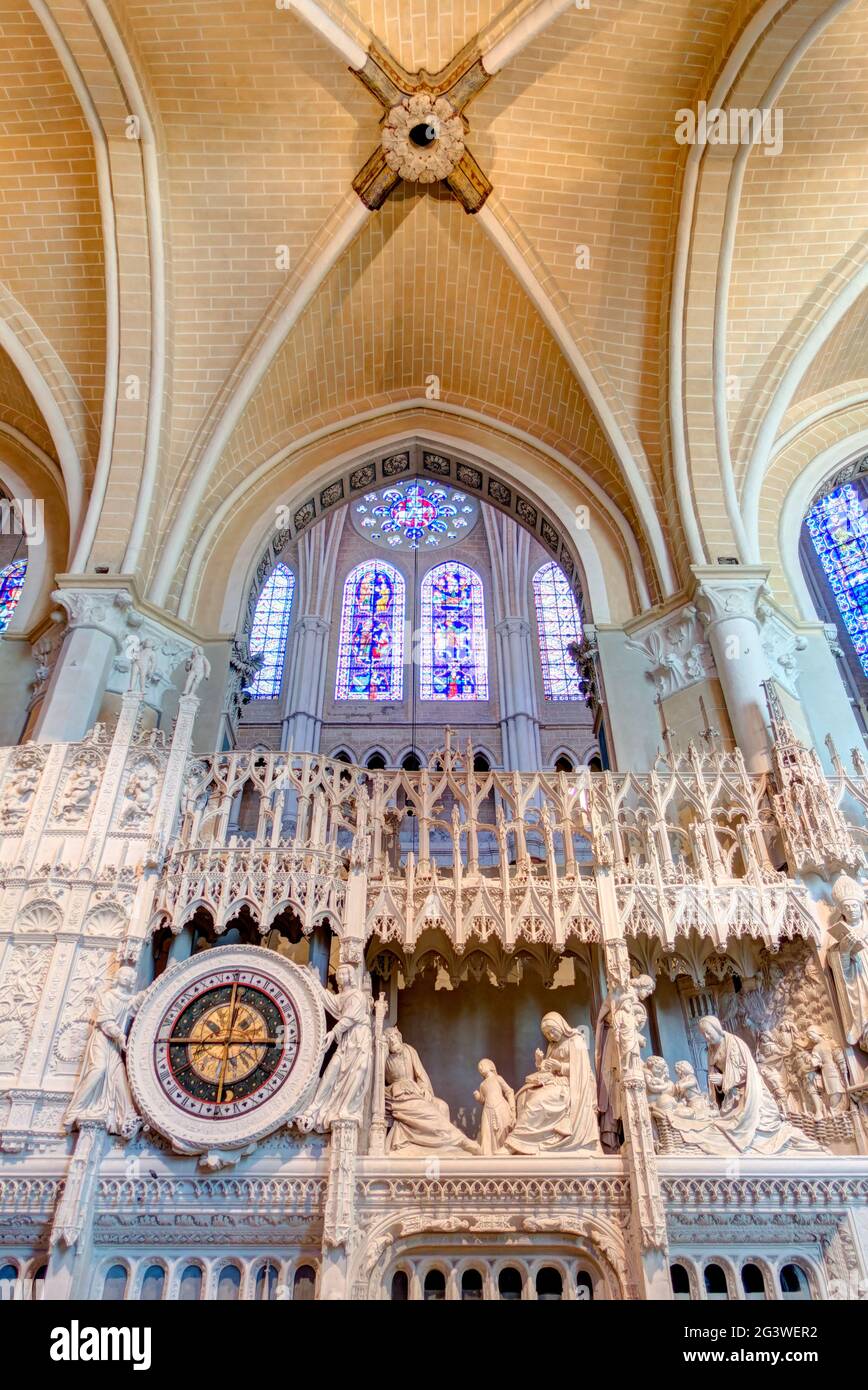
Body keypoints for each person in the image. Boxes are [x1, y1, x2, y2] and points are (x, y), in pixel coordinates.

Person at [65, 966, 146, 1139]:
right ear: (118, 977)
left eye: (130, 976)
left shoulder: (128, 999)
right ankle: (74, 1110)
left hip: (115, 1044)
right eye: (124, 975)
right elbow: (105, 1021)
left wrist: (161, 980)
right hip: (103, 1039)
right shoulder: (108, 996)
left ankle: (128, 1116)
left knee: (118, 1075)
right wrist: (120, 1035)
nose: (127, 978)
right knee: (99, 1069)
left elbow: (140, 1000)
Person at [506, 1012, 602, 1156]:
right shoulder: (552, 1046)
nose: (550, 1036)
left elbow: (582, 1069)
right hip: (555, 1082)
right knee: (523, 1096)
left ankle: (514, 1143)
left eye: (552, 1031)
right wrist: (540, 1063)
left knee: (537, 1101)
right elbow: (549, 1069)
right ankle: (525, 1144)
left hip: (573, 1086)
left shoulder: (576, 1041)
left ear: (560, 1026)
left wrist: (560, 1067)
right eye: (546, 1034)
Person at [383, 1027, 479, 1155]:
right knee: (429, 1112)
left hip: (416, 1091)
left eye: (393, 1036)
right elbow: (377, 1079)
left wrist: (425, 1089)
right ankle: (461, 1140)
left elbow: (420, 1073)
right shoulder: (384, 1057)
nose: (392, 1040)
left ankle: (444, 1147)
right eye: (388, 1039)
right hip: (400, 1095)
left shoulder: (409, 1050)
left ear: (399, 1037)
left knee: (442, 1106)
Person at [299, 965, 372, 1131]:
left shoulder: (358, 996)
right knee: (331, 1072)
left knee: (360, 1070)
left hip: (359, 1038)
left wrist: (333, 1032)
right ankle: (314, 1108)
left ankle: (346, 1109)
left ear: (350, 976)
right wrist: (310, 977)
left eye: (344, 973)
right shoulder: (341, 997)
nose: (340, 975)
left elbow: (350, 1018)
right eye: (338, 973)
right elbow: (326, 998)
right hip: (347, 1040)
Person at [474, 1059, 515, 1155]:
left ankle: (502, 1153)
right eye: (478, 1066)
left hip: (500, 1108)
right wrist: (479, 1097)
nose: (480, 1067)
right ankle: (488, 1155)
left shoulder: (498, 1078)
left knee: (502, 1133)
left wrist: (513, 1110)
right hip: (487, 1111)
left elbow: (509, 1092)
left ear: (491, 1066)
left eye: (482, 1064)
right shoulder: (482, 1084)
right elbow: (483, 1100)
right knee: (487, 1135)